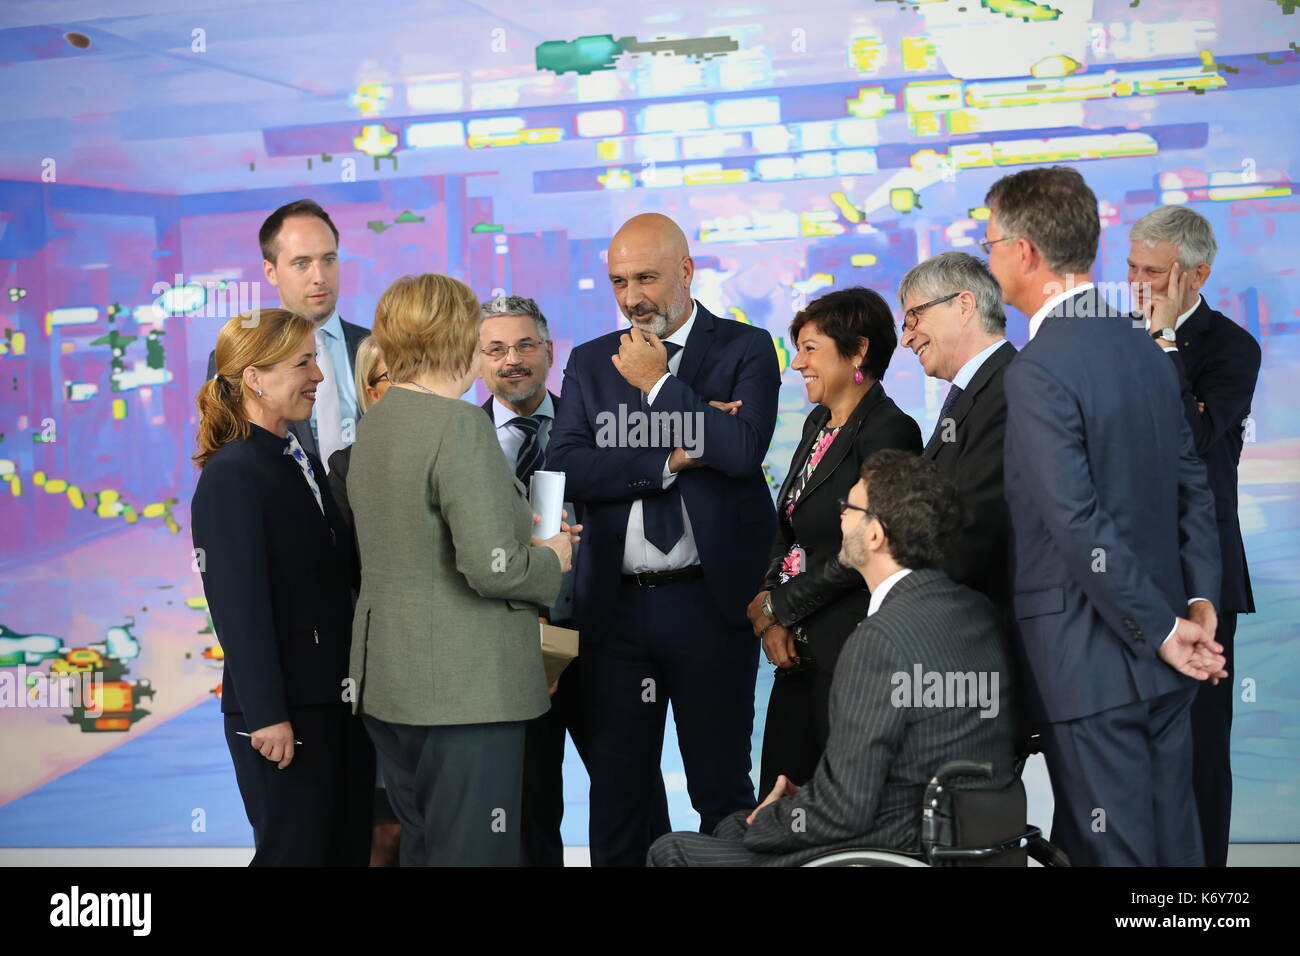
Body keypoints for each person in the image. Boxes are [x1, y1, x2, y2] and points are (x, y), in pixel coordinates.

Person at [985, 165, 1226, 866]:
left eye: (993, 239)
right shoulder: (1144, 348)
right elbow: (1194, 487)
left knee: (1114, 858)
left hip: (1092, 664)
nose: (989, 254)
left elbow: (1074, 522)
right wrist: (1197, 606)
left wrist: (1161, 629)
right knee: (1174, 855)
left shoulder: (1036, 371)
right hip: (1168, 653)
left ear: (1027, 253)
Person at [648, 450, 1016, 866]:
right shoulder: (976, 611)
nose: (840, 517)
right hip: (956, 836)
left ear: (875, 535)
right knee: (734, 824)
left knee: (672, 850)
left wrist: (776, 818)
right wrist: (803, 802)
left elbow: (845, 810)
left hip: (887, 848)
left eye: (850, 507)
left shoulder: (878, 640)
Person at [548, 213, 780, 867]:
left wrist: (659, 385)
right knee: (619, 794)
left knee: (722, 791)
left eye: (645, 278)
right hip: (615, 613)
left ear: (686, 270)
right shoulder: (591, 361)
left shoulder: (746, 347)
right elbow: (565, 467)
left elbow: (739, 451)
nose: (631, 298)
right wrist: (672, 455)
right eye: (619, 281)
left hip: (710, 605)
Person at [346, 273, 580, 867]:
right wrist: (550, 557)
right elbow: (491, 569)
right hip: (465, 692)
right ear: (458, 332)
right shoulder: (459, 424)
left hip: (391, 685)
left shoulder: (378, 423)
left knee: (426, 847)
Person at [191, 308, 373, 866]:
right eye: (303, 363)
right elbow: (239, 609)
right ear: (254, 378)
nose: (318, 376)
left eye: (315, 360)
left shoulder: (297, 458)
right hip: (283, 716)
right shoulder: (233, 474)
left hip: (334, 702)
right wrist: (268, 713)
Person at [1128, 205, 1262, 867]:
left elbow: (1201, 440)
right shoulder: (1110, 339)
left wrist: (1165, 345)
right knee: (1125, 751)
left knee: (1200, 750)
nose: (1138, 282)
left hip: (1198, 579)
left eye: (1153, 272)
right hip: (1119, 576)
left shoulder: (1232, 347)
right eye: (1131, 268)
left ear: (1197, 273)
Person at [748, 287, 921, 796]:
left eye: (809, 348)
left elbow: (865, 550)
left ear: (859, 351)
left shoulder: (892, 431)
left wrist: (780, 607)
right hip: (798, 657)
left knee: (841, 812)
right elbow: (790, 527)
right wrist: (775, 615)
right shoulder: (817, 422)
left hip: (852, 657)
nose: (797, 362)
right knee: (780, 806)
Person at [206, 199, 367, 470]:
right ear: (271, 271)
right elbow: (231, 466)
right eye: (302, 263)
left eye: (329, 259)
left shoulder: (379, 348)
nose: (319, 276)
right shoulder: (240, 359)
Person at [898, 251, 1017, 617]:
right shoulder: (975, 393)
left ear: (964, 305)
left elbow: (979, 526)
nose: (906, 339)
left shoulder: (1010, 389)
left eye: (914, 318)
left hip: (992, 625)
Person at [323, 334, 398, 867]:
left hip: (455, 675)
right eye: (393, 378)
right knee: (384, 831)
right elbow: (349, 574)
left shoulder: (471, 446)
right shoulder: (346, 467)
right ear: (369, 392)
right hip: (381, 671)